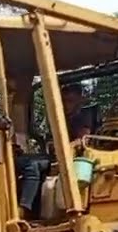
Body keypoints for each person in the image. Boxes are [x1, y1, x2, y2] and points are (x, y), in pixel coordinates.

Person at [14, 83, 94, 219]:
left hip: (69, 157)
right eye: (63, 101)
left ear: (79, 100)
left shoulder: (83, 117)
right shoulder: (60, 118)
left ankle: (24, 210)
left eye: (70, 101)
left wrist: (66, 148)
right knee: (20, 160)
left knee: (32, 166)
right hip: (53, 154)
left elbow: (83, 140)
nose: (66, 105)